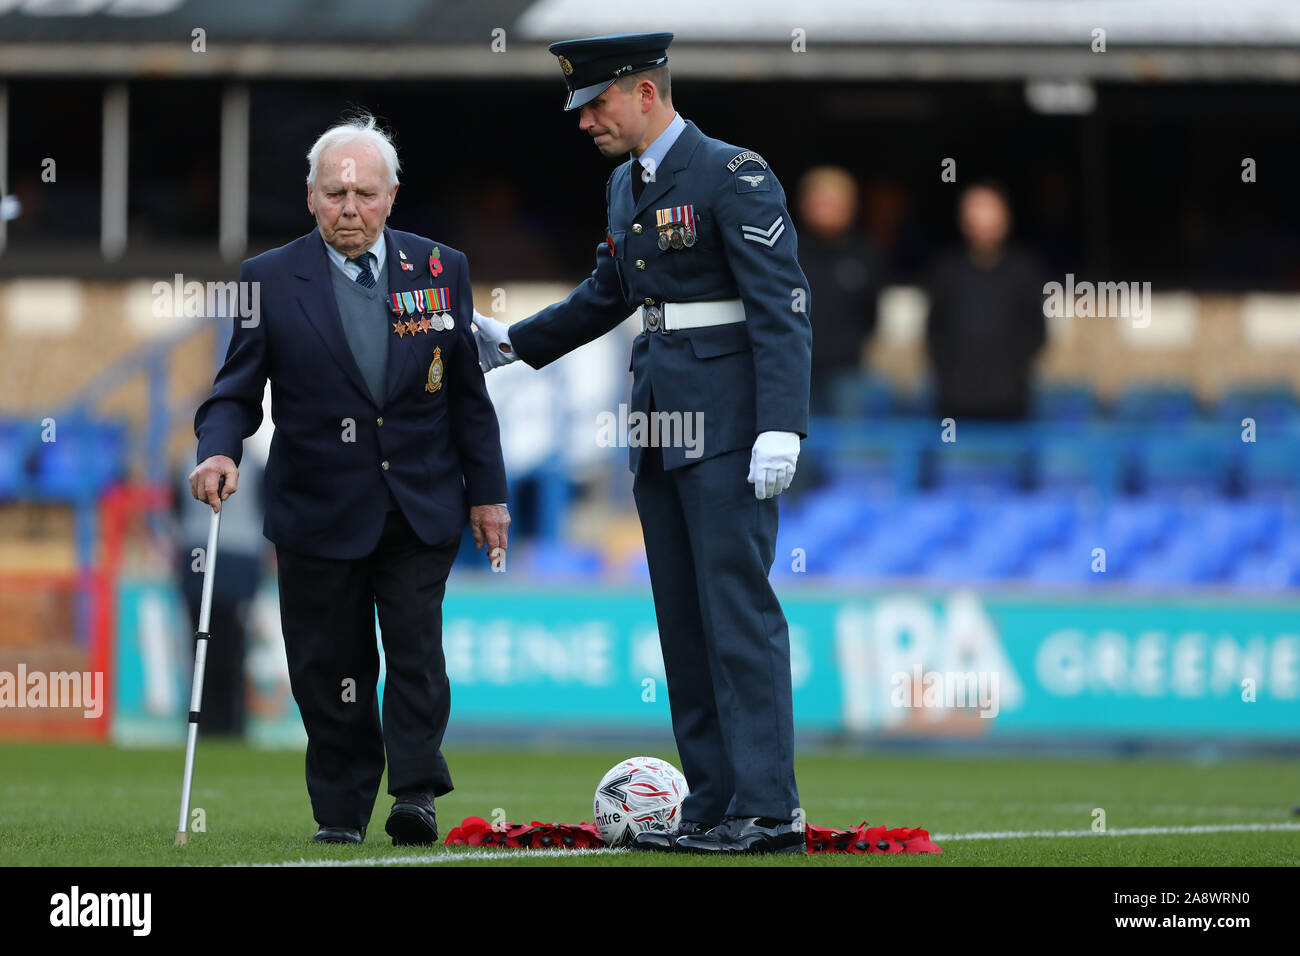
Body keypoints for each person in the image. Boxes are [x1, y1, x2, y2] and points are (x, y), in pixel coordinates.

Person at [473, 33, 811, 855]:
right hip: (659, 426)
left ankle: (770, 811)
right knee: (683, 624)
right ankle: (714, 803)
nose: (585, 121)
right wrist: (516, 343)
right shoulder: (627, 186)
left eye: (595, 104)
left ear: (645, 93)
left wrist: (781, 424)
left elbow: (783, 305)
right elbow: (611, 294)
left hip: (731, 427)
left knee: (737, 614)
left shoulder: (735, 174)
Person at [190, 114, 510, 846]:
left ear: (391, 196)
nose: (350, 208)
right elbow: (235, 392)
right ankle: (339, 810)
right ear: (310, 198)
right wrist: (219, 450)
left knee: (415, 649)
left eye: (365, 193)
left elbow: (469, 397)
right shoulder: (265, 279)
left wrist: (488, 494)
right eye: (335, 193)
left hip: (421, 503)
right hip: (316, 508)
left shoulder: (441, 269)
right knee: (329, 665)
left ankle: (417, 792)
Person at [924, 180, 1047, 421]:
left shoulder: (1024, 271)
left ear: (1005, 217)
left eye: (990, 210)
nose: (983, 219)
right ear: (964, 219)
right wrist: (950, 375)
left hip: (1010, 402)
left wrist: (1011, 371)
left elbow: (1037, 331)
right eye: (975, 210)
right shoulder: (946, 270)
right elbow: (935, 331)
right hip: (955, 402)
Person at [795, 165, 883, 418]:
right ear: (805, 205)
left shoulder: (865, 255)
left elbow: (872, 315)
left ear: (851, 207)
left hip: (848, 373)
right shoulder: (786, 252)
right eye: (821, 202)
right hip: (793, 371)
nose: (828, 210)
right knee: (797, 449)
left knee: (850, 450)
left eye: (835, 202)